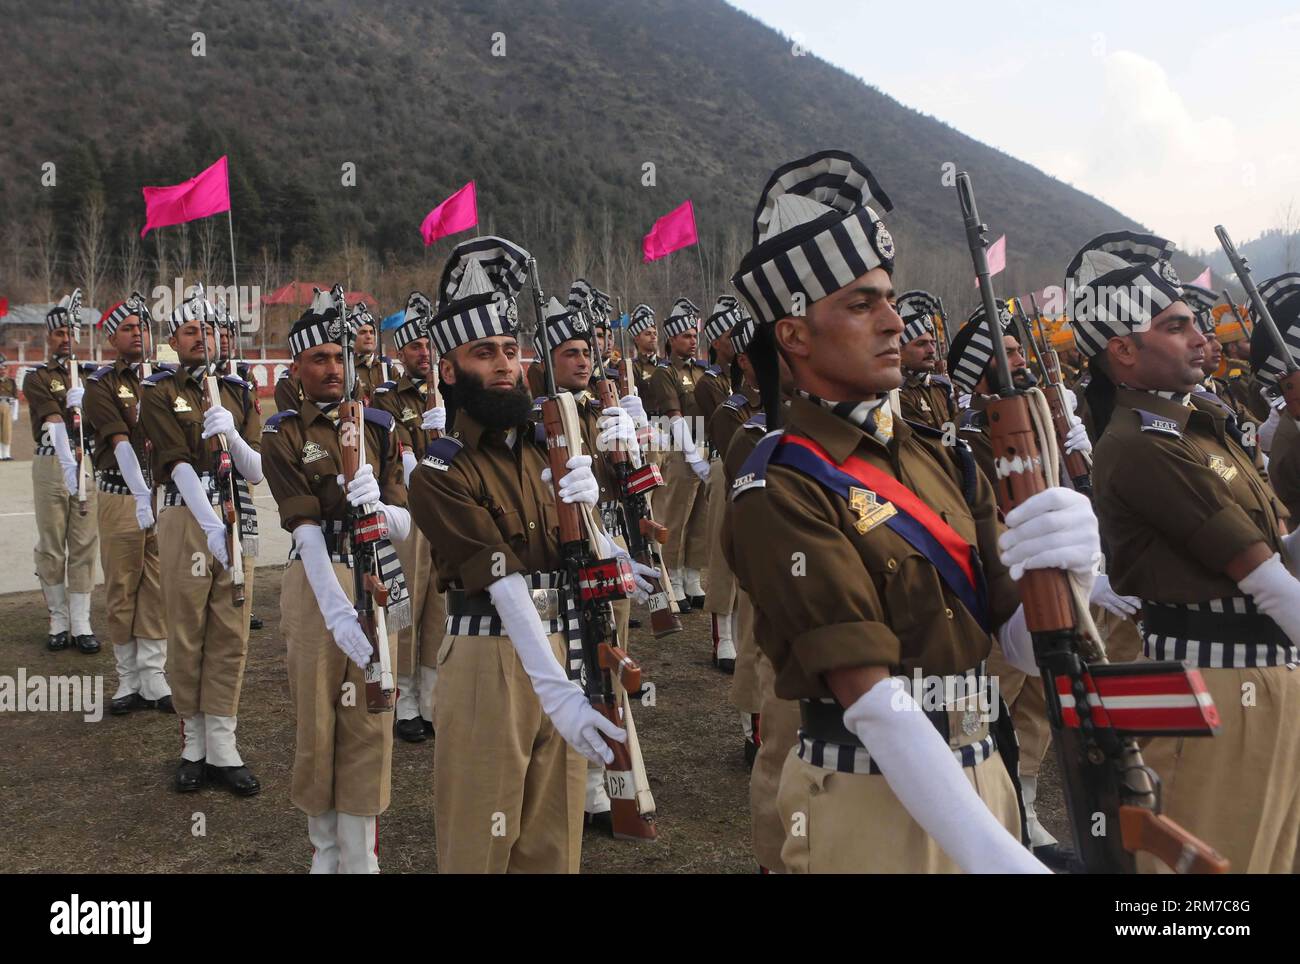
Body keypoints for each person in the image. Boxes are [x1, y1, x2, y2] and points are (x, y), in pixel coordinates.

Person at [724, 149, 1104, 873]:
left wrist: (1071, 569)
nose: (896, 322)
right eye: (861, 304)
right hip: (873, 801)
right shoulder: (779, 482)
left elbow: (1017, 648)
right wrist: (999, 857)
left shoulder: (945, 457)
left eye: (890, 298)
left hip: (980, 777)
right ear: (795, 336)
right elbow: (869, 699)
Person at [1073, 230, 1300, 873]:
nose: (1202, 336)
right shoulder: (1143, 443)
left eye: (1194, 321)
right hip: (1214, 683)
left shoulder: (1197, 427)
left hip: (1262, 672)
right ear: (1123, 350)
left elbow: (1276, 554)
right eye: (1177, 326)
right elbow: (1264, 580)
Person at [407, 235, 631, 873]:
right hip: (491, 660)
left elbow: (592, 560)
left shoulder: (547, 448)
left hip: (562, 645)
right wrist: (558, 692)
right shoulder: (438, 472)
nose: (505, 364)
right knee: (480, 843)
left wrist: (600, 520)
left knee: (553, 844)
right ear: (449, 371)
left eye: (511, 349)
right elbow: (500, 577)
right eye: (484, 352)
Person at [261, 293, 413, 872]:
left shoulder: (378, 425)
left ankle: (361, 857)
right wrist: (337, 612)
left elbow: (404, 518)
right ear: (296, 369)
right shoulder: (280, 433)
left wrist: (378, 508)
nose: (331, 368)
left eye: (338, 357)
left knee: (372, 716)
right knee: (317, 718)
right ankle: (324, 855)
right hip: (319, 583)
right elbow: (303, 530)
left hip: (375, 572)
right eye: (318, 358)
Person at [140, 290, 262, 796]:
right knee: (188, 629)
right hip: (188, 515)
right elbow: (177, 462)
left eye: (210, 331)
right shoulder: (158, 390)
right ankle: (193, 742)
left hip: (239, 514)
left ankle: (224, 743)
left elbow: (256, 469)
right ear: (174, 339)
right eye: (191, 331)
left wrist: (232, 435)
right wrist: (210, 524)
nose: (203, 339)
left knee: (232, 631)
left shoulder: (239, 390)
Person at [83, 296, 172, 714]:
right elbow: (119, 443)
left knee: (155, 585)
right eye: (128, 328)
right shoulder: (100, 384)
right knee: (122, 584)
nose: (139, 333)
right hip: (122, 494)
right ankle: (129, 676)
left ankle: (154, 673)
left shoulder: (163, 379)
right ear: (111, 337)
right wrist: (140, 495)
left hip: (162, 495)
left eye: (143, 327)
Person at [370, 293, 446, 743]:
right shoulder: (387, 398)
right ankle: (404, 700)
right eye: (415, 346)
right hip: (410, 513)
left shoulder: (449, 395)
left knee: (439, 606)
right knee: (406, 607)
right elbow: (400, 458)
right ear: (400, 352)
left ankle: (432, 698)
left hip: (447, 512)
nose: (424, 353)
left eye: (429, 345)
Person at [23, 292, 100, 653]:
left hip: (86, 461)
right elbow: (52, 419)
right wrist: (72, 408)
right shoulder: (36, 377)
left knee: (84, 543)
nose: (66, 338)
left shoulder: (88, 376)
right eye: (59, 333)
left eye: (70, 331)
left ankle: (82, 620)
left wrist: (85, 400)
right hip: (52, 462)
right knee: (53, 544)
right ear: (48, 337)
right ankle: (59, 618)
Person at [641, 298, 711, 608]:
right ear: (671, 339)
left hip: (705, 446)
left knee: (700, 518)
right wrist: (693, 455)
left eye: (695, 335)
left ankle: (692, 575)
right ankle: (671, 576)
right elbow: (674, 414)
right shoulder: (664, 373)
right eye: (686, 336)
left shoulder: (702, 371)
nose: (693, 341)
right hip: (679, 449)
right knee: (675, 516)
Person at [894, 290, 956, 432]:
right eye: (921, 344)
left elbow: (952, 439)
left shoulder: (942, 388)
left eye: (933, 343)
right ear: (900, 350)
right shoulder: (898, 393)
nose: (931, 350)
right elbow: (929, 441)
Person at [0, 352, 18, 460]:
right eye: (0, 369)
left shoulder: (11, 382)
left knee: (7, 431)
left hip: (7, 407)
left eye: (4, 368)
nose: (2, 371)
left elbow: (15, 399)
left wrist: (15, 414)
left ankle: (6, 454)